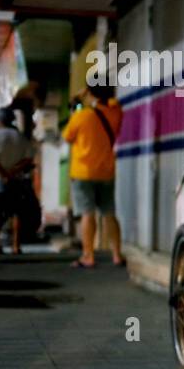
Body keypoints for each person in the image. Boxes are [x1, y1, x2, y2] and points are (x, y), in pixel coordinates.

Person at [62, 85, 125, 268]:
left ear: (91, 94)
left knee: (87, 214)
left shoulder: (82, 116)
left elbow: (67, 136)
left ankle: (88, 256)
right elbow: (112, 102)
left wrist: (78, 103)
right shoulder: (116, 112)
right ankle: (117, 255)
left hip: (83, 173)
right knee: (109, 213)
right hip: (106, 171)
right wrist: (91, 96)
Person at [0, 108, 36, 255]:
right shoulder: (20, 137)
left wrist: (3, 174)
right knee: (16, 213)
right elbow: (29, 158)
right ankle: (15, 246)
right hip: (17, 180)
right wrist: (13, 171)